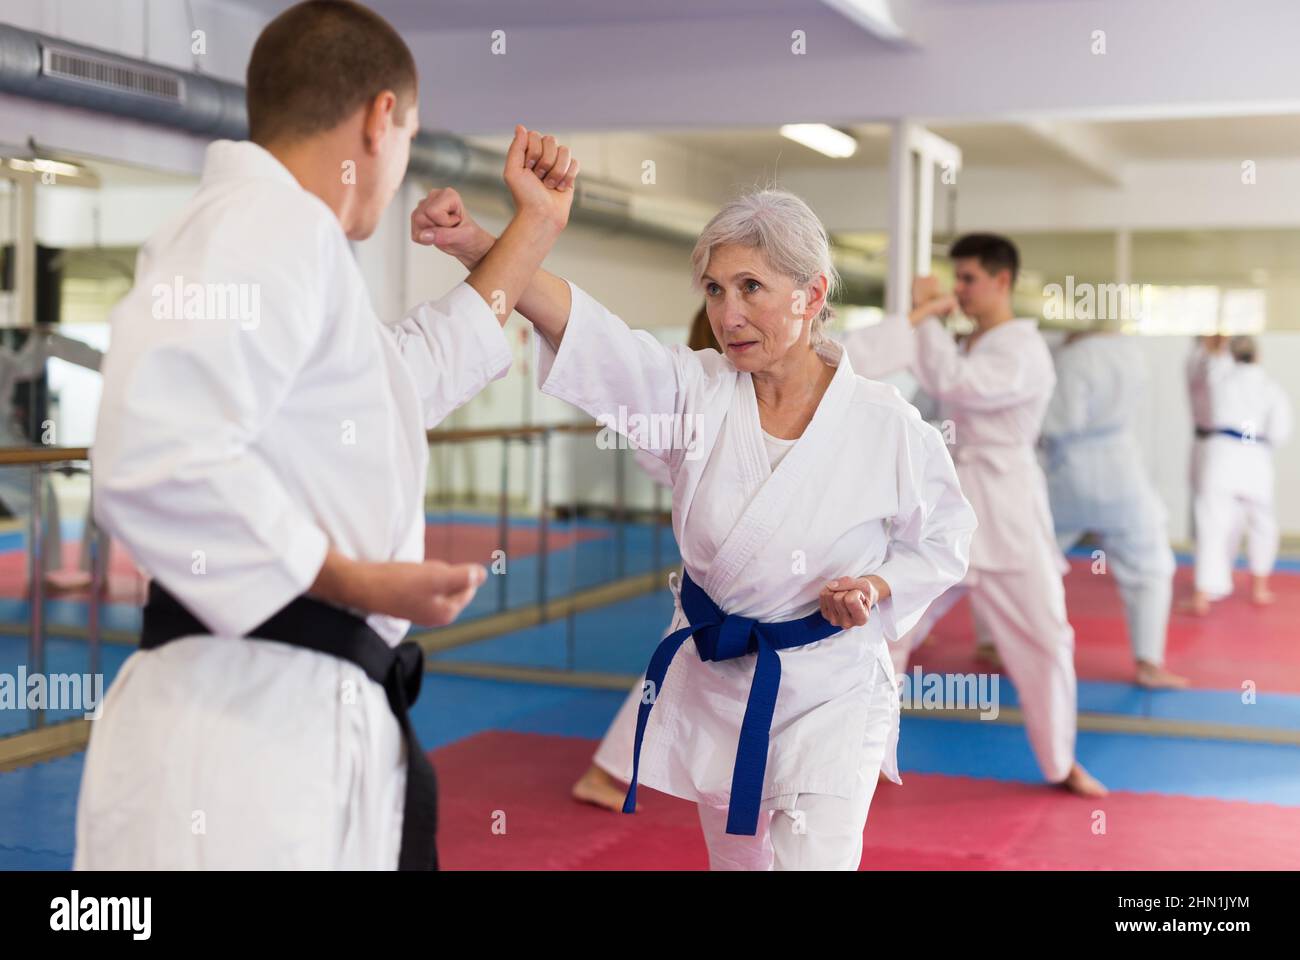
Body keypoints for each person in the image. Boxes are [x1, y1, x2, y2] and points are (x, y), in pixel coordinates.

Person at [75, 0, 579, 869]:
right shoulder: (264, 224)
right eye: (412, 136)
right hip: (238, 731)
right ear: (382, 119)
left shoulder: (287, 243)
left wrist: (533, 227)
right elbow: (152, 456)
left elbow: (417, 368)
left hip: (280, 721)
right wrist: (355, 578)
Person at [422, 185, 976, 870]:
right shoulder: (693, 391)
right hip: (725, 684)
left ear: (812, 293)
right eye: (714, 290)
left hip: (833, 688)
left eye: (752, 287)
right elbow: (588, 332)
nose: (729, 314)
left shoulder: (885, 422)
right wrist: (480, 245)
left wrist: (877, 584)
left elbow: (946, 537)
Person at [843, 234, 1107, 798]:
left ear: (1001, 280)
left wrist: (930, 320)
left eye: (967, 279)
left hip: (1008, 514)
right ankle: (868, 756)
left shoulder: (1023, 350)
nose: (958, 290)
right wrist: (924, 323)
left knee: (1046, 641)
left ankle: (1061, 762)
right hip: (948, 513)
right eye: (955, 279)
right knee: (890, 632)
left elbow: (954, 383)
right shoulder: (975, 344)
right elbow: (925, 386)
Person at [571, 305, 719, 813]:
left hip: (730, 572)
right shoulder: (694, 392)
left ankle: (615, 769)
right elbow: (652, 453)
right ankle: (608, 769)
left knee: (688, 668)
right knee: (679, 665)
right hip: (716, 574)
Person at [1041, 330, 1185, 688]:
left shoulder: (1071, 357)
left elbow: (1060, 422)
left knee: (1028, 562)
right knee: (1150, 563)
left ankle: (1000, 643)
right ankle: (1149, 662)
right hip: (1121, 470)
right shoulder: (1132, 353)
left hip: (1068, 472)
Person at [1187, 335, 1292, 614]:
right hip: (1254, 454)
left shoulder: (1218, 380)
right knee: (1261, 523)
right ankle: (1259, 587)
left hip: (1219, 453)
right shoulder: (1270, 388)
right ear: (1257, 356)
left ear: (1230, 356)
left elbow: (1199, 379)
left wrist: (1210, 348)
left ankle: (1202, 595)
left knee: (1212, 523)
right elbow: (1280, 432)